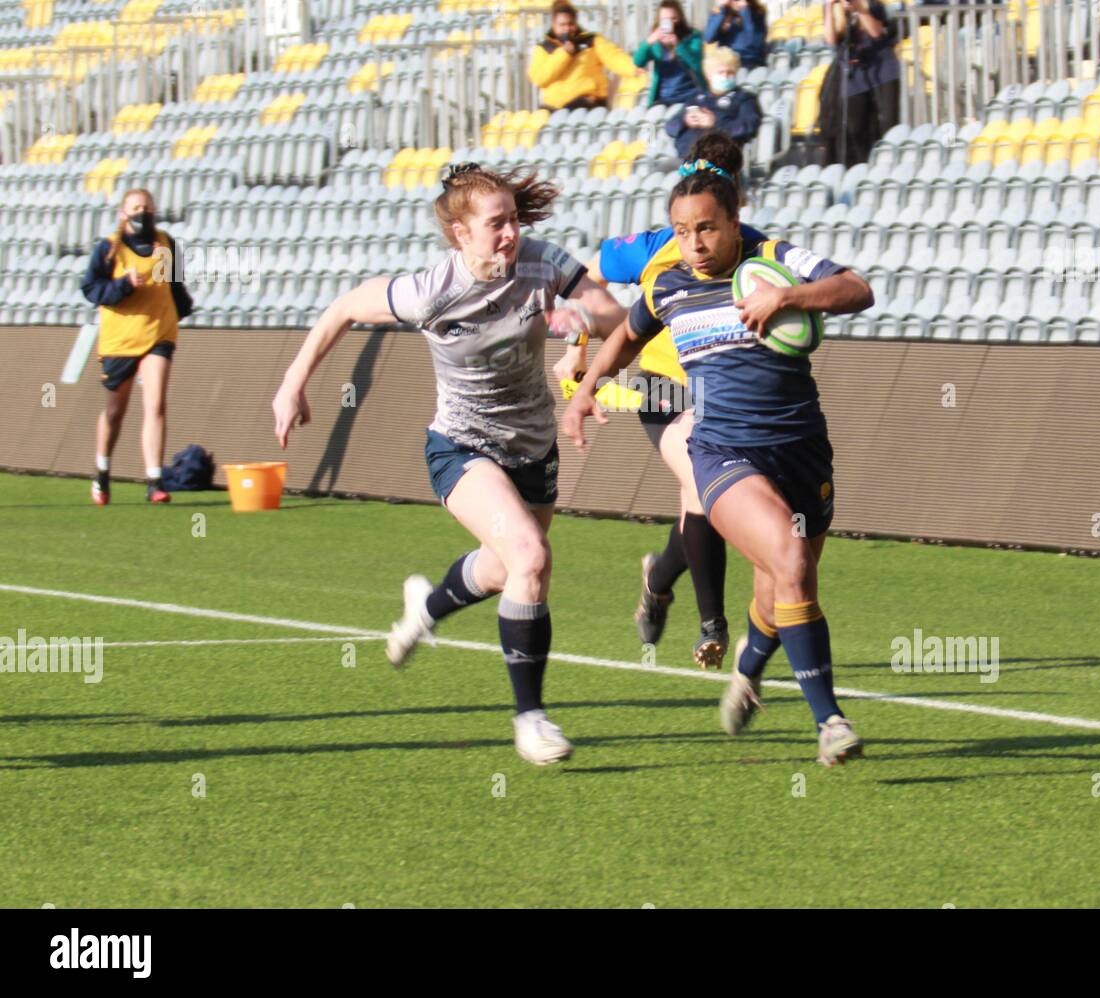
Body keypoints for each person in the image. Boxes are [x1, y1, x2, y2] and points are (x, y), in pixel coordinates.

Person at [271, 163, 625, 766]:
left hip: (534, 448)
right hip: (461, 446)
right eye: (497, 223)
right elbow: (343, 310)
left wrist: (578, 326)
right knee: (532, 557)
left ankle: (426, 609)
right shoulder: (430, 291)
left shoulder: (544, 262)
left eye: (515, 218)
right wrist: (292, 383)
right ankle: (530, 719)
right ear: (461, 233)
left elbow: (615, 316)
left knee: (504, 568)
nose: (512, 232)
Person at [562, 165, 876, 766]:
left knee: (784, 586)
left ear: (735, 221)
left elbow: (857, 289)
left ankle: (749, 671)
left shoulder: (775, 259)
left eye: (707, 228)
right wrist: (586, 388)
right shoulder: (668, 286)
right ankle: (830, 721)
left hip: (801, 447)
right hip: (722, 449)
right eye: (682, 231)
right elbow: (627, 336)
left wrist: (787, 296)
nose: (695, 243)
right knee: (788, 559)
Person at [572, 133, 766, 670]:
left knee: (702, 502)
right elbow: (584, 275)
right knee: (708, 490)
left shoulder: (756, 251)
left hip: (725, 392)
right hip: (663, 388)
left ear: (732, 205)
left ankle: (658, 580)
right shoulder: (659, 244)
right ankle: (713, 626)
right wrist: (578, 342)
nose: (695, 238)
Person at [81, 188, 193, 505]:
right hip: (120, 339)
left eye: (147, 207)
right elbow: (90, 289)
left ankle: (154, 480)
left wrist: (183, 308)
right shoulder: (109, 249)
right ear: (123, 213)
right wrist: (123, 285)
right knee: (116, 411)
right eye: (135, 208)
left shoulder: (166, 244)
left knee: (155, 402)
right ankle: (102, 471)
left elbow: (173, 285)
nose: (142, 212)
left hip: (159, 332)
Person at [819, 0, 900, 167]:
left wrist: (859, 8)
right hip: (854, 71)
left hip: (881, 68)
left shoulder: (870, 3)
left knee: (888, 122)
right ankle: (861, 164)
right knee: (855, 124)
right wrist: (830, 6)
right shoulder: (835, 9)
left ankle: (888, 163)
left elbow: (876, 33)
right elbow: (831, 40)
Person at [527, 0, 638, 111]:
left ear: (576, 23)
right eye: (562, 25)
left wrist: (634, 68)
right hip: (555, 110)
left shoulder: (591, 41)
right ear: (553, 25)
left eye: (570, 24)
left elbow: (614, 58)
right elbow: (539, 78)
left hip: (588, 104)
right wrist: (564, 54)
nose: (567, 29)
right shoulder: (544, 48)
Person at [663, 45, 762, 161]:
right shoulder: (695, 99)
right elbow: (670, 127)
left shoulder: (744, 98)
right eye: (721, 72)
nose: (725, 76)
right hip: (686, 158)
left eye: (730, 73)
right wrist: (685, 120)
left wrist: (715, 125)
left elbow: (748, 127)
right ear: (709, 75)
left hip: (720, 160)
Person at [632, 0, 706, 107]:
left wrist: (679, 46)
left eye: (673, 18)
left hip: (690, 94)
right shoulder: (656, 42)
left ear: (680, 18)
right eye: (664, 20)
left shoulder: (693, 37)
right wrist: (648, 42)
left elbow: (696, 65)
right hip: (664, 98)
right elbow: (638, 61)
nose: (669, 23)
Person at [703, 0, 768, 70]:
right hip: (727, 62)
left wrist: (745, 13)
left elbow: (754, 41)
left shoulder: (757, 11)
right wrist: (722, 12)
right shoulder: (720, 11)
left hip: (749, 61)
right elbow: (708, 38)